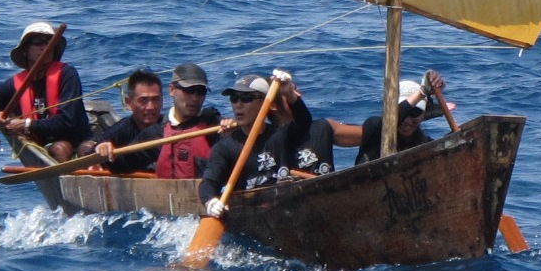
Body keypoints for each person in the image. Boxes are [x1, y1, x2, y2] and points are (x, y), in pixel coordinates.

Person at [0, 22, 92, 163]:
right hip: (47, 145)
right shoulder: (15, 84)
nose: (44, 47)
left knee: (87, 150)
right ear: (25, 50)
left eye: (49, 42)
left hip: (78, 139)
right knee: (60, 149)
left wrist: (25, 124)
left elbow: (67, 121)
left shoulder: (68, 74)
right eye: (37, 42)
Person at [199, 71, 312, 219]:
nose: (238, 105)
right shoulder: (224, 148)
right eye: (234, 99)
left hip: (284, 210)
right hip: (250, 216)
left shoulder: (281, 135)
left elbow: (304, 121)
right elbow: (208, 183)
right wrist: (210, 202)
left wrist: (289, 94)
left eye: (246, 98)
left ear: (266, 103)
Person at [97, 63, 221, 177]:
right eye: (188, 91)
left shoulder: (214, 125)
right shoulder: (156, 133)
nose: (195, 98)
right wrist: (104, 151)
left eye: (201, 92)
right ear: (172, 90)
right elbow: (120, 166)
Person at [354, 69, 445, 164]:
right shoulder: (373, 128)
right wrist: (422, 93)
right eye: (404, 112)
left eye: (415, 112)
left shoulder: (425, 144)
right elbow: (388, 122)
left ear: (423, 116)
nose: (407, 120)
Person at [75, 69, 164, 159]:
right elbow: (92, 155)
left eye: (156, 100)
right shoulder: (120, 131)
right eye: (143, 101)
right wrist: (102, 148)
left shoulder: (168, 127)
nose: (150, 107)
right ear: (128, 103)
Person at [271, 90, 363, 175]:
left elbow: (368, 134)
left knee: (373, 125)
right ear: (273, 105)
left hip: (331, 189)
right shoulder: (267, 142)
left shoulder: (322, 127)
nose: (298, 94)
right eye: (289, 93)